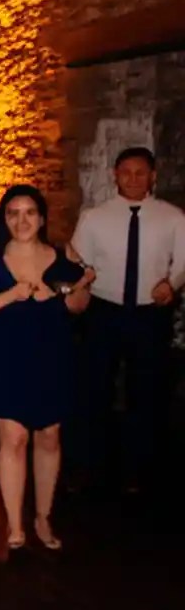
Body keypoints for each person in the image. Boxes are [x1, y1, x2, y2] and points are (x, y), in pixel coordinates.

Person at [0, 184, 94, 551]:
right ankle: (15, 523)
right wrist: (10, 295)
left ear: (41, 218)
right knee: (13, 439)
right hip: (5, 358)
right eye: (13, 213)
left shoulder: (61, 254)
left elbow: (79, 306)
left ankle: (43, 517)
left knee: (50, 438)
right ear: (5, 217)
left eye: (29, 213)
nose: (21, 220)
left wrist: (76, 290)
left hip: (51, 356)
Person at [71, 147, 185, 494]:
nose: (133, 179)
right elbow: (77, 261)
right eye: (126, 173)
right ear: (115, 175)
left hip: (150, 313)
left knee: (147, 392)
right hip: (104, 311)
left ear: (153, 176)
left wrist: (173, 284)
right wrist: (82, 280)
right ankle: (91, 466)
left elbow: (182, 262)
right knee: (95, 390)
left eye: (140, 173)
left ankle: (141, 470)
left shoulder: (173, 218)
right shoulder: (94, 217)